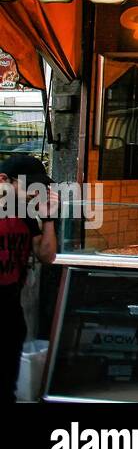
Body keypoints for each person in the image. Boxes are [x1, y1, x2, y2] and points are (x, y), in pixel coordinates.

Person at [0, 156, 58, 404]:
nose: (35, 193)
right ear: (4, 180)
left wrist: (48, 220)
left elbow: (46, 255)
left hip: (9, 306)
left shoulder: (22, 213)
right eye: (28, 186)